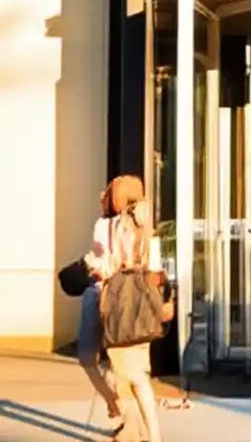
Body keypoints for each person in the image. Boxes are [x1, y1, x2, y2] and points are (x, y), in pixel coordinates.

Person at [92, 175, 163, 442]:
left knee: (118, 374)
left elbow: (109, 266)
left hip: (122, 309)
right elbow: (156, 271)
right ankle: (151, 432)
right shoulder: (147, 232)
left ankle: (131, 426)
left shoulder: (118, 228)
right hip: (143, 310)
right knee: (139, 375)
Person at [79, 182, 124, 431]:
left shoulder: (121, 226)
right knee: (90, 357)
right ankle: (112, 401)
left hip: (106, 292)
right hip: (101, 291)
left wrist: (93, 263)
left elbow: (102, 259)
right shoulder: (103, 223)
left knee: (111, 360)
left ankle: (116, 406)